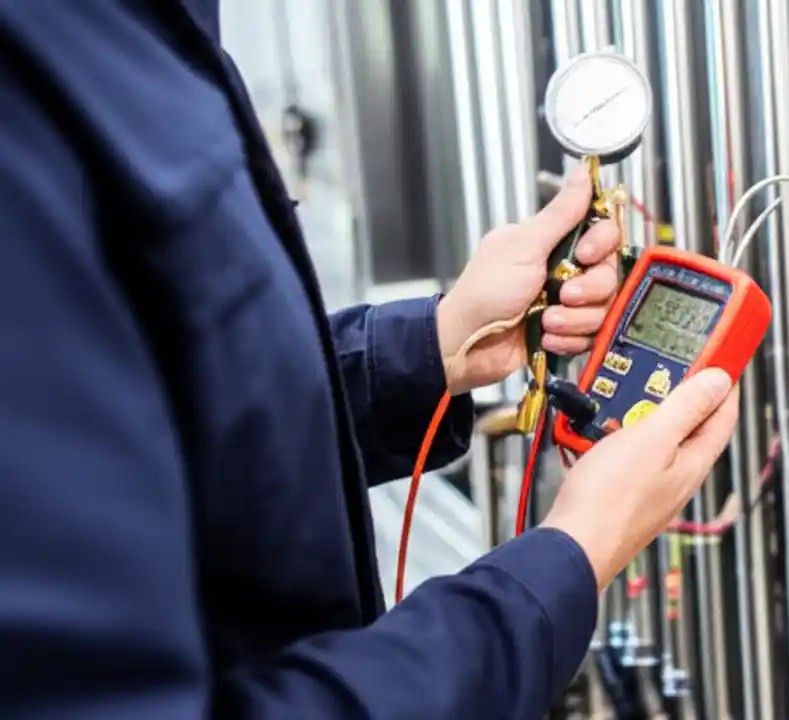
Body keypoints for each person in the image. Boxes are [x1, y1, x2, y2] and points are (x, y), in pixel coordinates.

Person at [0, 2, 739, 719]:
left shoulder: (144, 34)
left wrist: (435, 345)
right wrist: (570, 556)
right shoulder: (32, 89)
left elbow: (193, 421)